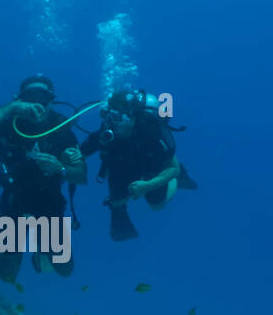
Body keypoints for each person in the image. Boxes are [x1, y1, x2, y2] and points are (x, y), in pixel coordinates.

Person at [0, 74, 86, 281]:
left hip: (49, 200)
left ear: (51, 100)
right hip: (14, 198)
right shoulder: (8, 121)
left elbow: (81, 176)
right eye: (30, 96)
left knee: (64, 268)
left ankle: (42, 250)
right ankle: (14, 247)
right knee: (6, 273)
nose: (37, 102)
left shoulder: (62, 128)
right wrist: (10, 109)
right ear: (19, 98)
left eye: (42, 96)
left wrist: (60, 168)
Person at [81, 89, 197, 240]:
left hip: (151, 166)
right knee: (118, 201)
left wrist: (148, 185)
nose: (114, 125)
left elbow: (172, 169)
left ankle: (177, 180)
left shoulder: (149, 132)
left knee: (156, 205)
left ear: (133, 118)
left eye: (119, 119)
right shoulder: (107, 133)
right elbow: (81, 153)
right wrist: (70, 157)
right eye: (111, 118)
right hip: (123, 167)